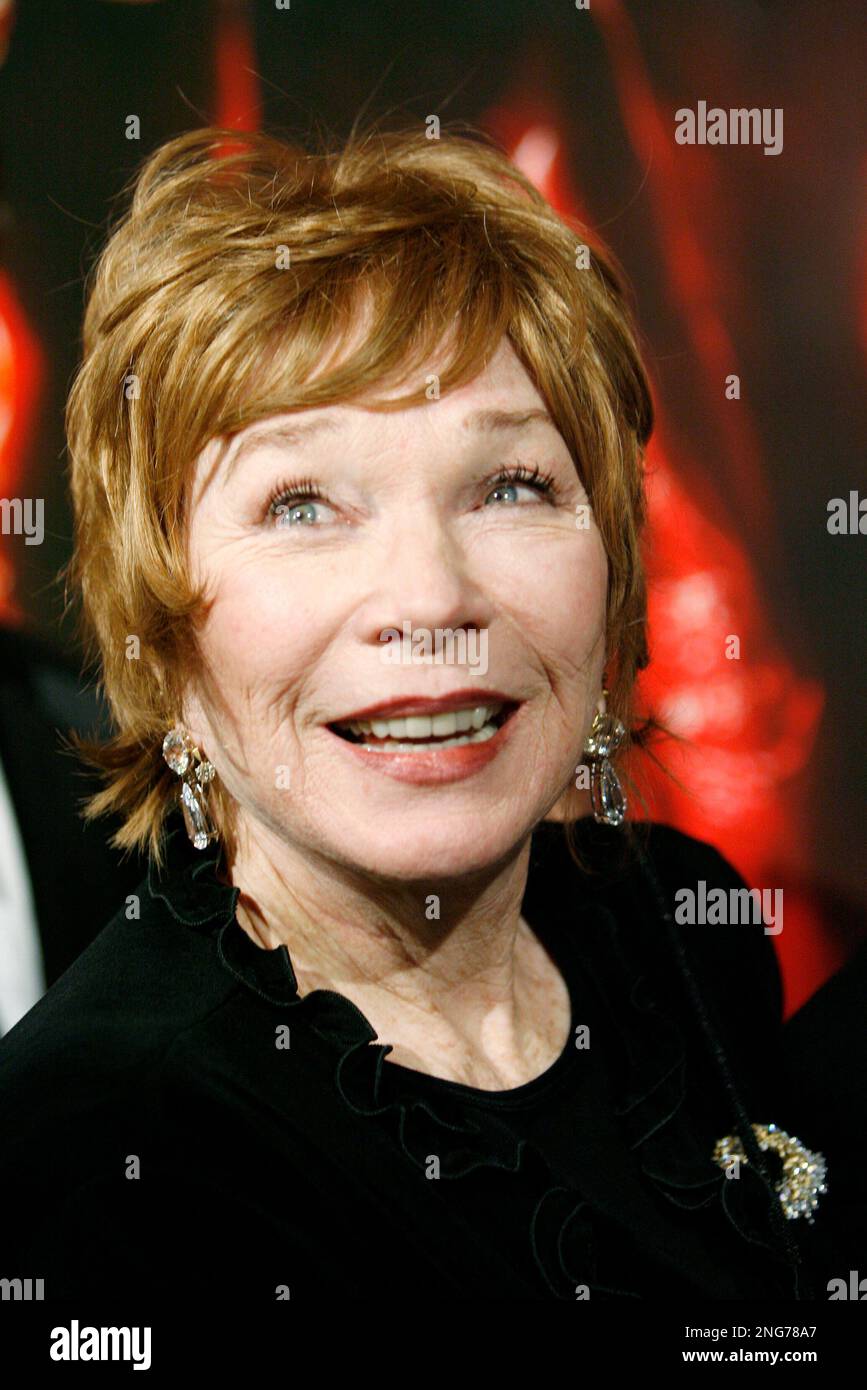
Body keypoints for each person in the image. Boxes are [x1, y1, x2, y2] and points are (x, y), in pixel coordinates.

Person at [0, 123, 846, 1301]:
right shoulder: (102, 1156)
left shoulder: (676, 933)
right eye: (303, 504)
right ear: (166, 632)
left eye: (511, 485)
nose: (432, 598)